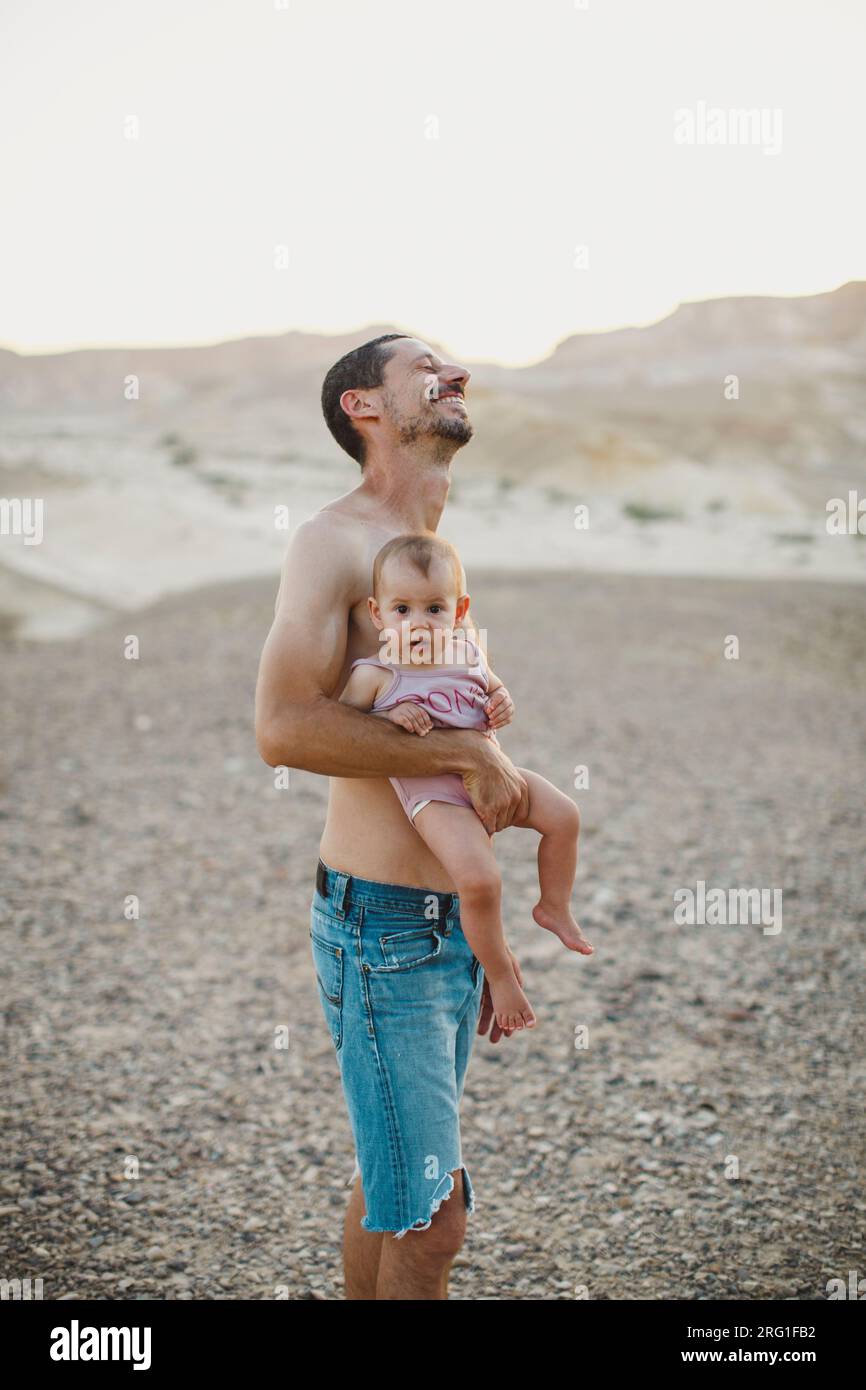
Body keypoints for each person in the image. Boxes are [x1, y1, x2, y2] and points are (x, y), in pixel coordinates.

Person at [255, 333, 529, 1300]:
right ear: (362, 408)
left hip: (448, 923)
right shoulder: (330, 542)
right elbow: (283, 728)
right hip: (381, 930)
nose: (456, 373)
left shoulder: (431, 551)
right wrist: (462, 751)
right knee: (432, 1219)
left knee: (392, 1176)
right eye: (425, 365)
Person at [339, 531, 591, 1033]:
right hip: (437, 798)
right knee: (479, 881)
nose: (418, 622)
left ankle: (554, 906)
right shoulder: (377, 674)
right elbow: (344, 727)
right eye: (402, 609)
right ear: (377, 613)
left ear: (459, 610)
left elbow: (493, 690)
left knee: (565, 816)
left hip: (498, 775)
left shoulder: (468, 652)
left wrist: (504, 700)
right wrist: (389, 717)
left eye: (434, 608)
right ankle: (500, 977)